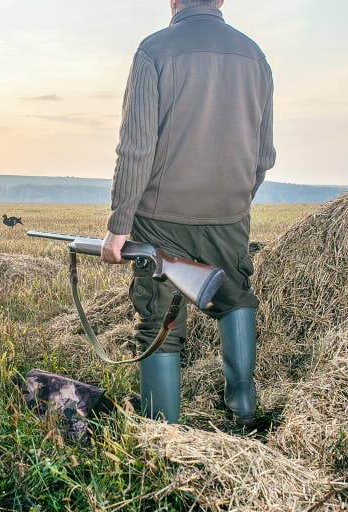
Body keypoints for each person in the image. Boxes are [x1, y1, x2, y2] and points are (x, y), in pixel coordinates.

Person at [101, 0, 276, 425]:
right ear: (220, 0)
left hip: (161, 217)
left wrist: (118, 227)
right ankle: (244, 410)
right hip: (229, 215)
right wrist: (234, 202)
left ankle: (163, 434)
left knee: (159, 318)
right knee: (236, 299)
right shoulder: (255, 56)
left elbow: (136, 148)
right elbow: (263, 154)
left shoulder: (154, 51)